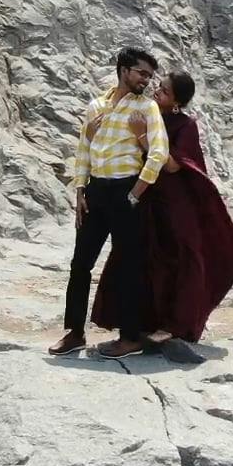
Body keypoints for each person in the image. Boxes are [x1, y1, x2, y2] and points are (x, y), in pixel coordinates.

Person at [90, 71, 233, 359]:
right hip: (146, 198)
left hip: (175, 205)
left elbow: (171, 165)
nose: (157, 92)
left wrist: (143, 137)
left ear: (176, 102)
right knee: (142, 259)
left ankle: (176, 325)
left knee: (179, 259)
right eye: (159, 87)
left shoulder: (185, 126)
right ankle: (140, 324)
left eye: (165, 91)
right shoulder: (146, 115)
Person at [50, 47, 168, 359]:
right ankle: (74, 332)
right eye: (142, 73)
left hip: (127, 191)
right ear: (124, 69)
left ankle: (130, 338)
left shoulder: (147, 109)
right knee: (80, 264)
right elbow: (83, 149)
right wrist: (80, 190)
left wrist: (134, 195)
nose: (147, 80)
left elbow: (157, 154)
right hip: (95, 193)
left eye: (150, 75)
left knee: (129, 266)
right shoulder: (97, 106)